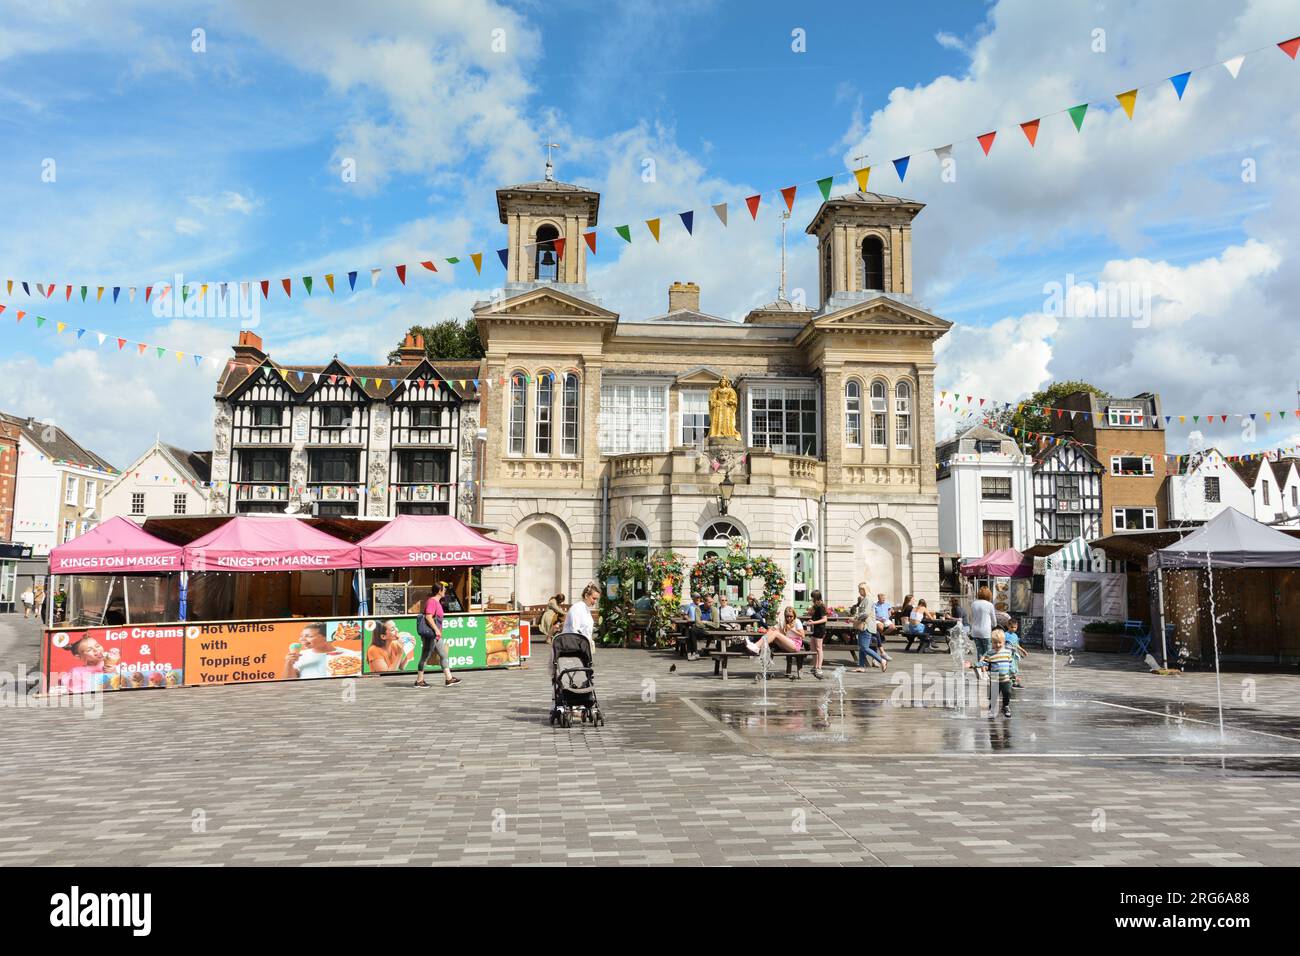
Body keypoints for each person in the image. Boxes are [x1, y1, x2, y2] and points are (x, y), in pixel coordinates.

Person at [414, 583, 461, 688]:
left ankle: (449, 679)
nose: (445, 591)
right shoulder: (432, 602)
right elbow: (428, 617)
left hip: (436, 635)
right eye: (444, 589)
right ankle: (419, 681)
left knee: (443, 655)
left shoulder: (437, 602)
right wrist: (436, 630)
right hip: (431, 635)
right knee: (425, 657)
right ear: (439, 591)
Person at [284, 622, 360, 680]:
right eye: (301, 636)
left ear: (327, 637)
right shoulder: (299, 656)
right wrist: (289, 663)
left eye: (309, 636)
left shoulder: (351, 655)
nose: (301, 639)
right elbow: (288, 683)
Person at [976, 628, 1015, 717]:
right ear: (991, 643)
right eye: (995, 642)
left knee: (1007, 693)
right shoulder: (990, 653)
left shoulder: (1007, 653)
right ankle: (992, 708)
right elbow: (983, 662)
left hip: (1005, 679)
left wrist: (1013, 672)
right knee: (993, 696)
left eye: (999, 642)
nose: (997, 645)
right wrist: (974, 665)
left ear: (1003, 642)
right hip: (994, 679)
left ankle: (1005, 706)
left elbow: (1011, 663)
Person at [970, 586, 998, 666]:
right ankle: (987, 667)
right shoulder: (989, 605)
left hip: (975, 631)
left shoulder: (973, 604)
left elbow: (971, 617)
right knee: (988, 651)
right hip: (985, 632)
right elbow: (994, 621)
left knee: (980, 651)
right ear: (989, 595)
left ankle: (980, 668)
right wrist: (994, 626)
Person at [806, 590, 828, 680]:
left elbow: (824, 619)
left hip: (820, 629)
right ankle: (815, 666)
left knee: (819, 648)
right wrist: (811, 615)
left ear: (816, 598)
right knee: (813, 647)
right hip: (815, 629)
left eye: (812, 597)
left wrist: (813, 622)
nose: (811, 599)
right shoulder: (816, 606)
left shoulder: (821, 606)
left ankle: (819, 667)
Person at [1005, 618, 1028, 687]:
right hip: (1007, 655)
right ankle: (1009, 682)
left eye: (1015, 627)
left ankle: (1014, 682)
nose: (1013, 629)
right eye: (1012, 627)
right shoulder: (1005, 634)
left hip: (1014, 655)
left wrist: (1023, 650)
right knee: (1010, 668)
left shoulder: (1015, 635)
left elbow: (1016, 645)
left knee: (1014, 668)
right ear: (1008, 626)